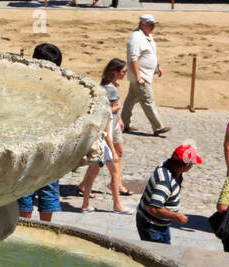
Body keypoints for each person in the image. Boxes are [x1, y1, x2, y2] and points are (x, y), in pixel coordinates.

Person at [19, 42, 65, 222]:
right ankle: (45, 230)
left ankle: (24, 230)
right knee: (48, 191)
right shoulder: (59, 85)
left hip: (28, 149)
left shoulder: (25, 82)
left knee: (25, 191)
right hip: (50, 152)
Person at [79, 58, 133, 213]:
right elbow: (107, 128)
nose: (125, 74)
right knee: (115, 173)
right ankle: (117, 205)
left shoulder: (105, 88)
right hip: (104, 139)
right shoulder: (110, 94)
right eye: (123, 71)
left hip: (100, 137)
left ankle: (85, 204)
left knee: (92, 172)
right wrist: (113, 151)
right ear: (114, 72)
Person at [136, 142, 201, 245]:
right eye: (193, 164)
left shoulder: (169, 165)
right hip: (152, 227)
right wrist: (176, 216)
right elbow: (154, 208)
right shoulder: (164, 183)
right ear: (186, 165)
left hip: (160, 225)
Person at [120, 14, 169, 136]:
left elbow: (151, 53)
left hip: (144, 75)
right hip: (141, 77)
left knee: (130, 100)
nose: (153, 27)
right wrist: (138, 77)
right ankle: (158, 127)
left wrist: (157, 67)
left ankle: (123, 124)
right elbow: (133, 59)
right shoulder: (135, 38)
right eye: (150, 25)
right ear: (142, 24)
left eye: (154, 25)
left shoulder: (148, 36)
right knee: (148, 100)